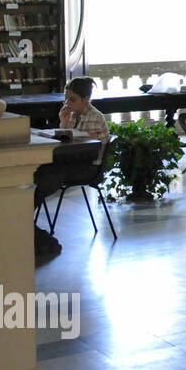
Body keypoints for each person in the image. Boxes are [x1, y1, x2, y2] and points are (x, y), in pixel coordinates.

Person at [34, 77, 110, 258]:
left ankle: (28, 223)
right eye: (66, 98)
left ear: (85, 100)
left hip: (88, 167)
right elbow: (67, 140)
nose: (68, 103)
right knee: (40, 173)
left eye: (72, 99)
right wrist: (63, 122)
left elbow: (85, 146)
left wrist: (70, 134)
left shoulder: (93, 116)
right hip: (73, 161)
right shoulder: (74, 115)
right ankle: (28, 221)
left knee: (48, 177)